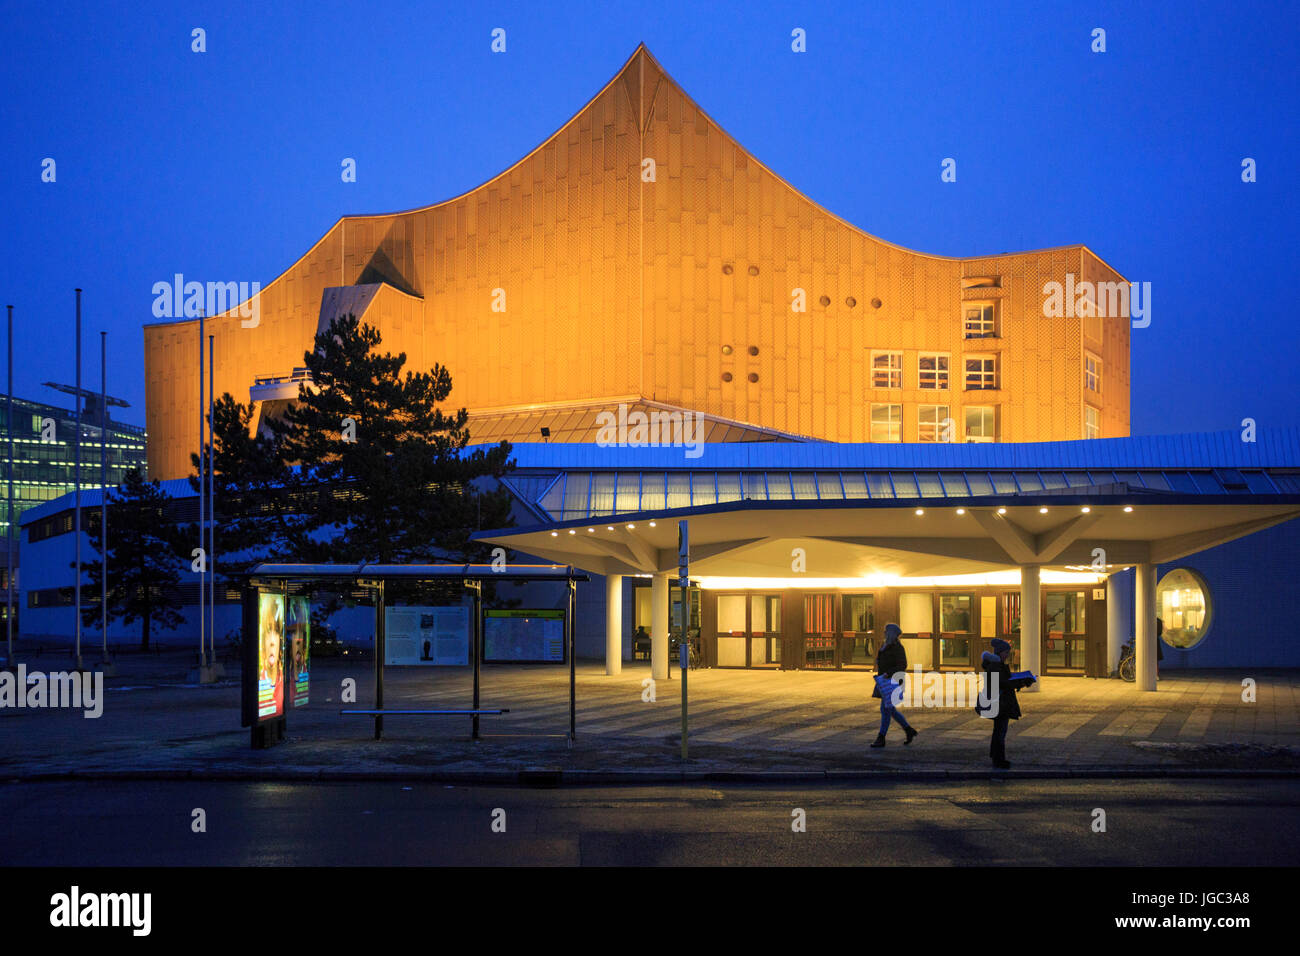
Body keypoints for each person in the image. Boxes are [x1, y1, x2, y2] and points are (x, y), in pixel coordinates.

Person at [976, 638, 1034, 769]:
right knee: (1000, 732)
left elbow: (1006, 680)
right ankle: (999, 760)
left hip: (1000, 703)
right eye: (1006, 652)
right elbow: (1004, 683)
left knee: (999, 731)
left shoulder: (996, 665)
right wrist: (1023, 682)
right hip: (1000, 704)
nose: (1007, 655)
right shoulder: (996, 666)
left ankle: (996, 757)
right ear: (1000, 652)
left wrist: (1020, 680)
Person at [870, 623, 917, 748]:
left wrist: (888, 673)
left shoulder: (897, 647)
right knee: (889, 709)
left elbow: (902, 665)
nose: (884, 632)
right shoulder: (885, 645)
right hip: (884, 681)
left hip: (893, 681)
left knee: (886, 709)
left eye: (886, 631)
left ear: (891, 633)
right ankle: (908, 730)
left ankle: (881, 738)